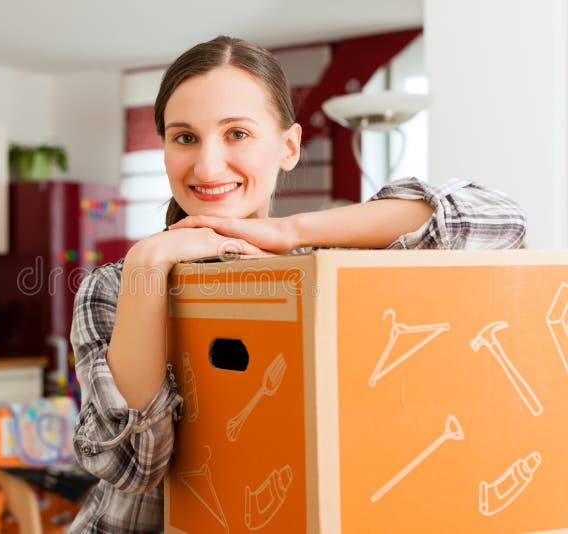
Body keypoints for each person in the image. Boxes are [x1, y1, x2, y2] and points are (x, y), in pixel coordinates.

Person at [67, 36, 526, 533]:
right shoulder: (115, 288)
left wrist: (291, 232)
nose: (207, 166)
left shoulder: (320, 270)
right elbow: (132, 467)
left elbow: (502, 221)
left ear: (289, 147)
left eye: (237, 133)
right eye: (184, 138)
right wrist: (149, 264)